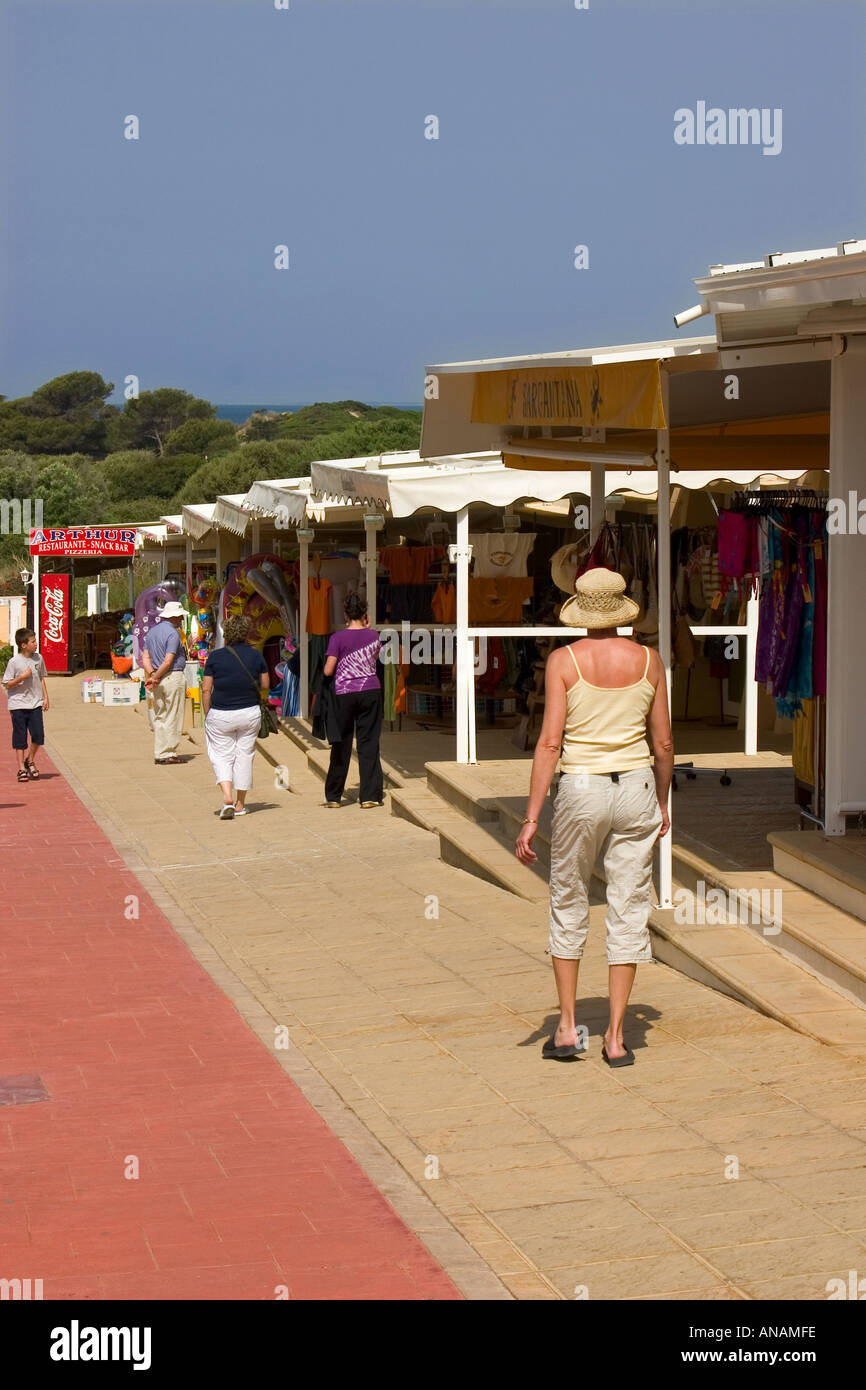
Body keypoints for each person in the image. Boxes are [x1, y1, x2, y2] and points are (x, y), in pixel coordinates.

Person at [515, 568, 673, 1067]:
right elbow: (664, 742)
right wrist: (663, 799)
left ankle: (567, 1028)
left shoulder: (564, 661)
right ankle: (617, 1038)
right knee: (629, 904)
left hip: (581, 786)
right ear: (622, 609)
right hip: (636, 785)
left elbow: (549, 743)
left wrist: (532, 816)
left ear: (581, 612)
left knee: (569, 895)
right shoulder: (650, 661)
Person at [201, 613, 269, 819]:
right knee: (244, 756)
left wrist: (207, 714)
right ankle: (240, 804)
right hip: (249, 713)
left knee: (221, 756)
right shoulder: (256, 655)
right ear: (246, 632)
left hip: (221, 714)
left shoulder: (215, 657)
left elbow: (206, 689)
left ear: (227, 633)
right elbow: (265, 684)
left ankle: (226, 796)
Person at [322, 592, 384, 808]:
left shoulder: (337, 638)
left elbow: (329, 670)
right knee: (369, 742)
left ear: (346, 614)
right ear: (365, 614)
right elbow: (375, 659)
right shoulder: (374, 636)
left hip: (344, 694)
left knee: (342, 743)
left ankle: (334, 797)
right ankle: (369, 796)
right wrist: (368, 627)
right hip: (370, 691)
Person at [142, 600, 187, 765]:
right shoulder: (173, 634)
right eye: (180, 616)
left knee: (161, 716)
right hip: (171, 676)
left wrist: (153, 674)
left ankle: (160, 751)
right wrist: (156, 676)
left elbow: (145, 657)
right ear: (174, 617)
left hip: (158, 678)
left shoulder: (152, 633)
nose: (181, 619)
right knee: (173, 715)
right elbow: (168, 661)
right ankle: (168, 752)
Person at [2, 627, 49, 783]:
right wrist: (21, 677)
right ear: (23, 645)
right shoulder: (14, 662)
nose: (36, 644)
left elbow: (41, 678)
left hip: (35, 703)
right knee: (20, 736)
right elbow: (7, 684)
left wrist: (46, 697)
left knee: (38, 735)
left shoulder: (38, 659)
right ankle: (21, 768)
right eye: (33, 642)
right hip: (18, 704)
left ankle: (30, 759)